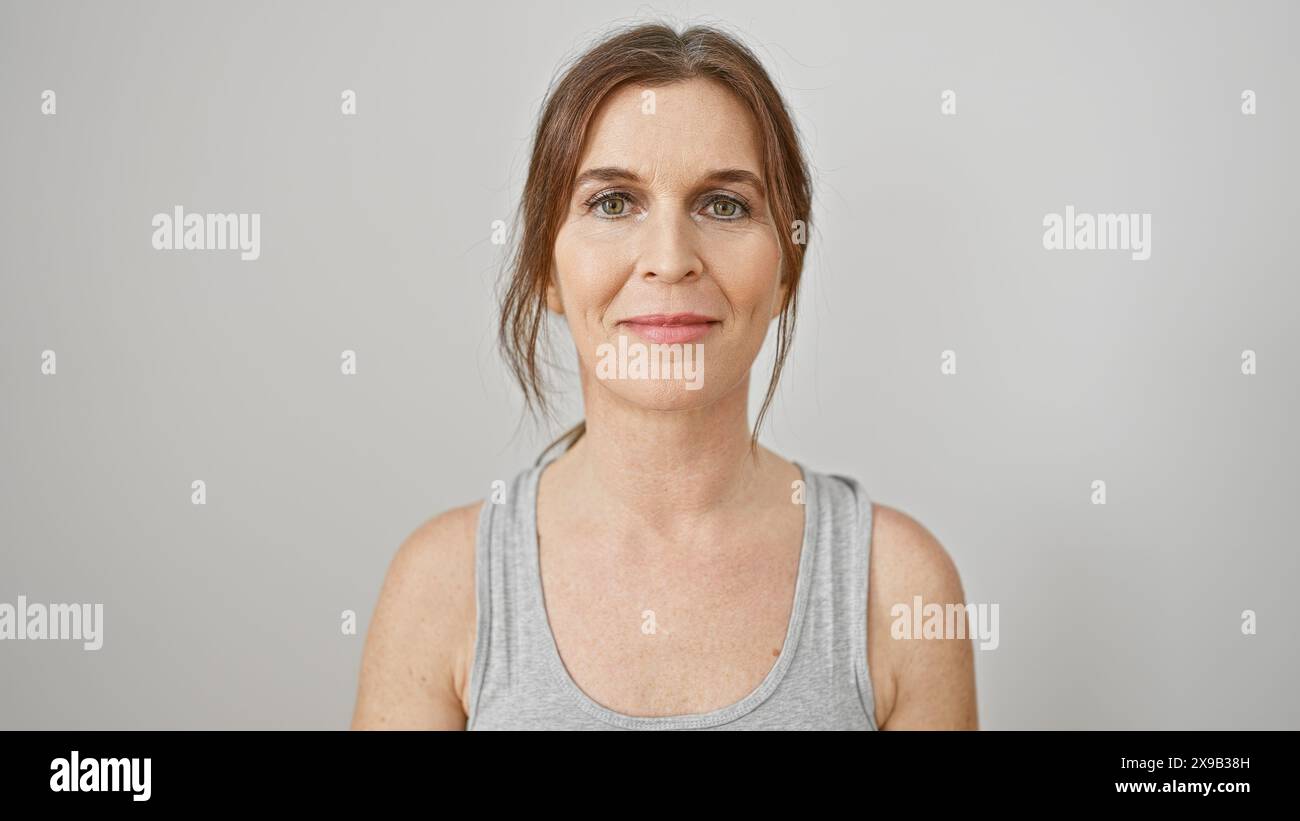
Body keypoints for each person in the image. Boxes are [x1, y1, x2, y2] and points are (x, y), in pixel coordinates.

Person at [352, 21, 977, 730]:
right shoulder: (440, 585)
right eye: (613, 203)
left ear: (785, 273)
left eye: (725, 204)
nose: (670, 257)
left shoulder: (899, 585)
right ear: (546, 271)